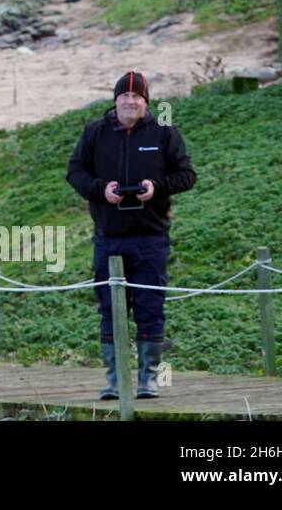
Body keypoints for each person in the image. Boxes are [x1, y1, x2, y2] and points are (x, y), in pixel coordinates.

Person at [66, 70, 197, 400]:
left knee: (151, 307)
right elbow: (75, 172)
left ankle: (148, 379)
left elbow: (187, 175)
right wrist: (100, 189)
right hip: (108, 237)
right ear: (115, 100)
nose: (129, 101)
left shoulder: (164, 133)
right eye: (123, 96)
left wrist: (157, 188)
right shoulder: (95, 132)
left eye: (136, 96)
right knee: (110, 309)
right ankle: (114, 379)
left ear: (145, 102)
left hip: (150, 237)